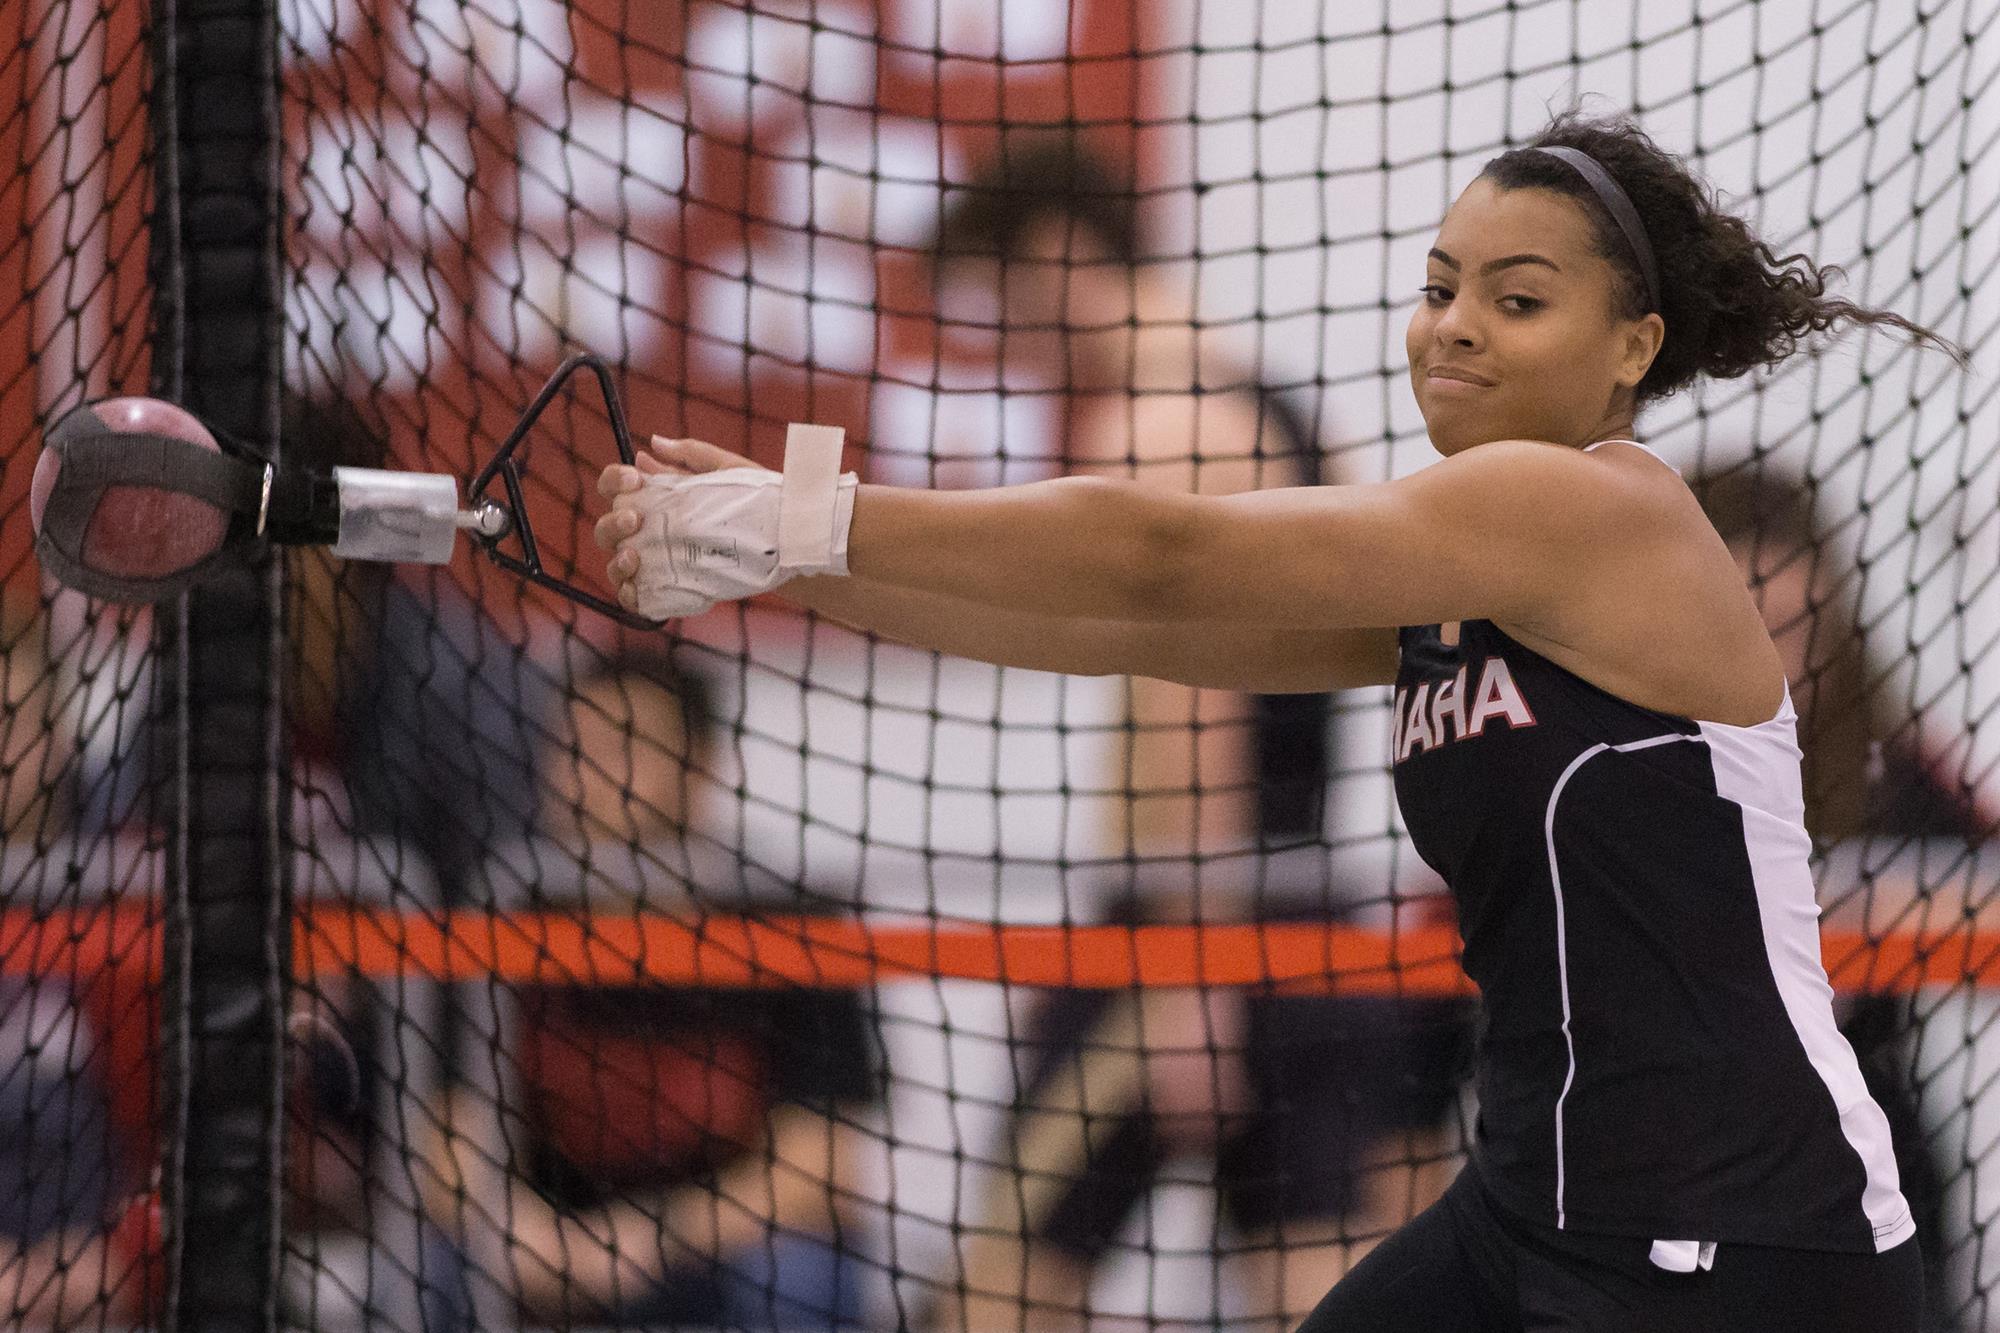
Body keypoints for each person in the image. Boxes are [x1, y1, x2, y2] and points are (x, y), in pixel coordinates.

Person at [597, 106, 1971, 1329]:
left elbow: (1161, 557)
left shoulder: (1598, 507)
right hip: (1532, 1207)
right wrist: (795, 567)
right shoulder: (1465, 577)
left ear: (1634, 346)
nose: (1457, 325)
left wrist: (806, 511)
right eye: (1438, 289)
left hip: (1739, 1235)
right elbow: (1113, 630)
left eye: (1518, 298)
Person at [921, 135, 1469, 1331]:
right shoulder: (1281, 411)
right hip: (1311, 924)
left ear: (1060, 259)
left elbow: (1188, 716)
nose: (1007, 351)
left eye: (1002, 312)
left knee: (992, 1292)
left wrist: (1184, 979)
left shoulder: (1156, 428)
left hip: (1174, 949)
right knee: (1316, 1296)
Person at [422, 650, 881, 1329]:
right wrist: (525, 1232)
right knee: (430, 1261)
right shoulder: (503, 917)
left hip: (707, 1254)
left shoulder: (789, 921)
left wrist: (656, 1237)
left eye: (623, 747)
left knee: (803, 1277)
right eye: (572, 747)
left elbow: (822, 1166)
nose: (586, 776)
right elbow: (445, 1139)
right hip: (548, 1244)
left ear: (698, 769)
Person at [1693, 463, 1987, 1333]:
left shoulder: (1888, 761)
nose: (1775, 655)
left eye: (1793, 625)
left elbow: (1977, 875)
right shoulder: (1628, 756)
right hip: (1682, 1157)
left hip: (1867, 1156)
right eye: (1749, 624)